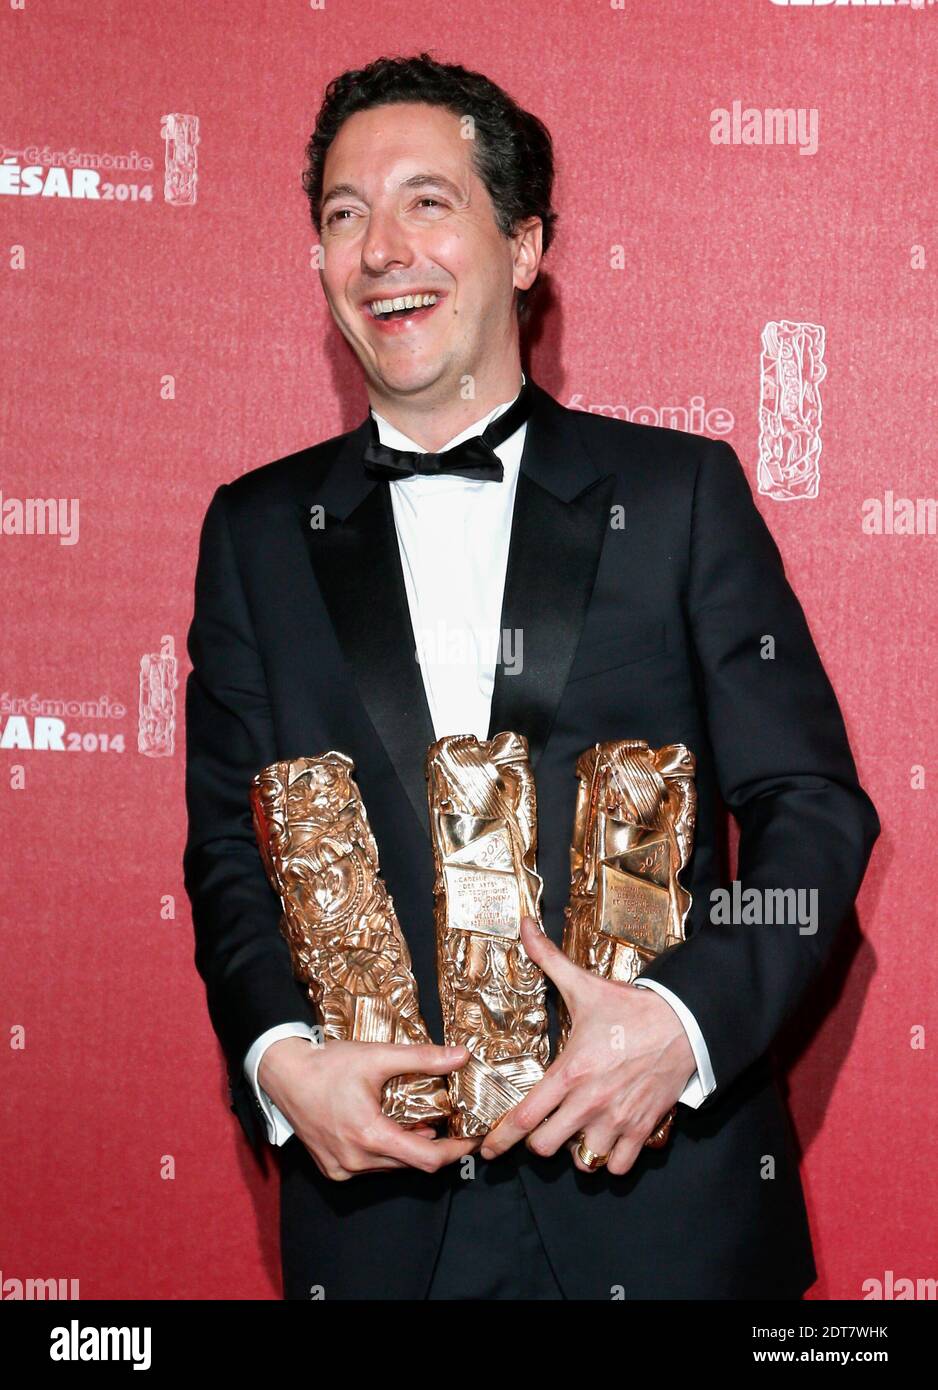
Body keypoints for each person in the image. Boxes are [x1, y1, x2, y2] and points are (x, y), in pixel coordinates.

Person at [183, 52, 880, 1300]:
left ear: (522, 246)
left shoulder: (678, 497)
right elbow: (230, 858)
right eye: (343, 215)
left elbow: (811, 812)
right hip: (380, 1228)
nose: (381, 247)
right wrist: (282, 1060)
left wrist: (685, 1026)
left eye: (426, 202)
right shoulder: (252, 531)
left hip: (666, 1217)